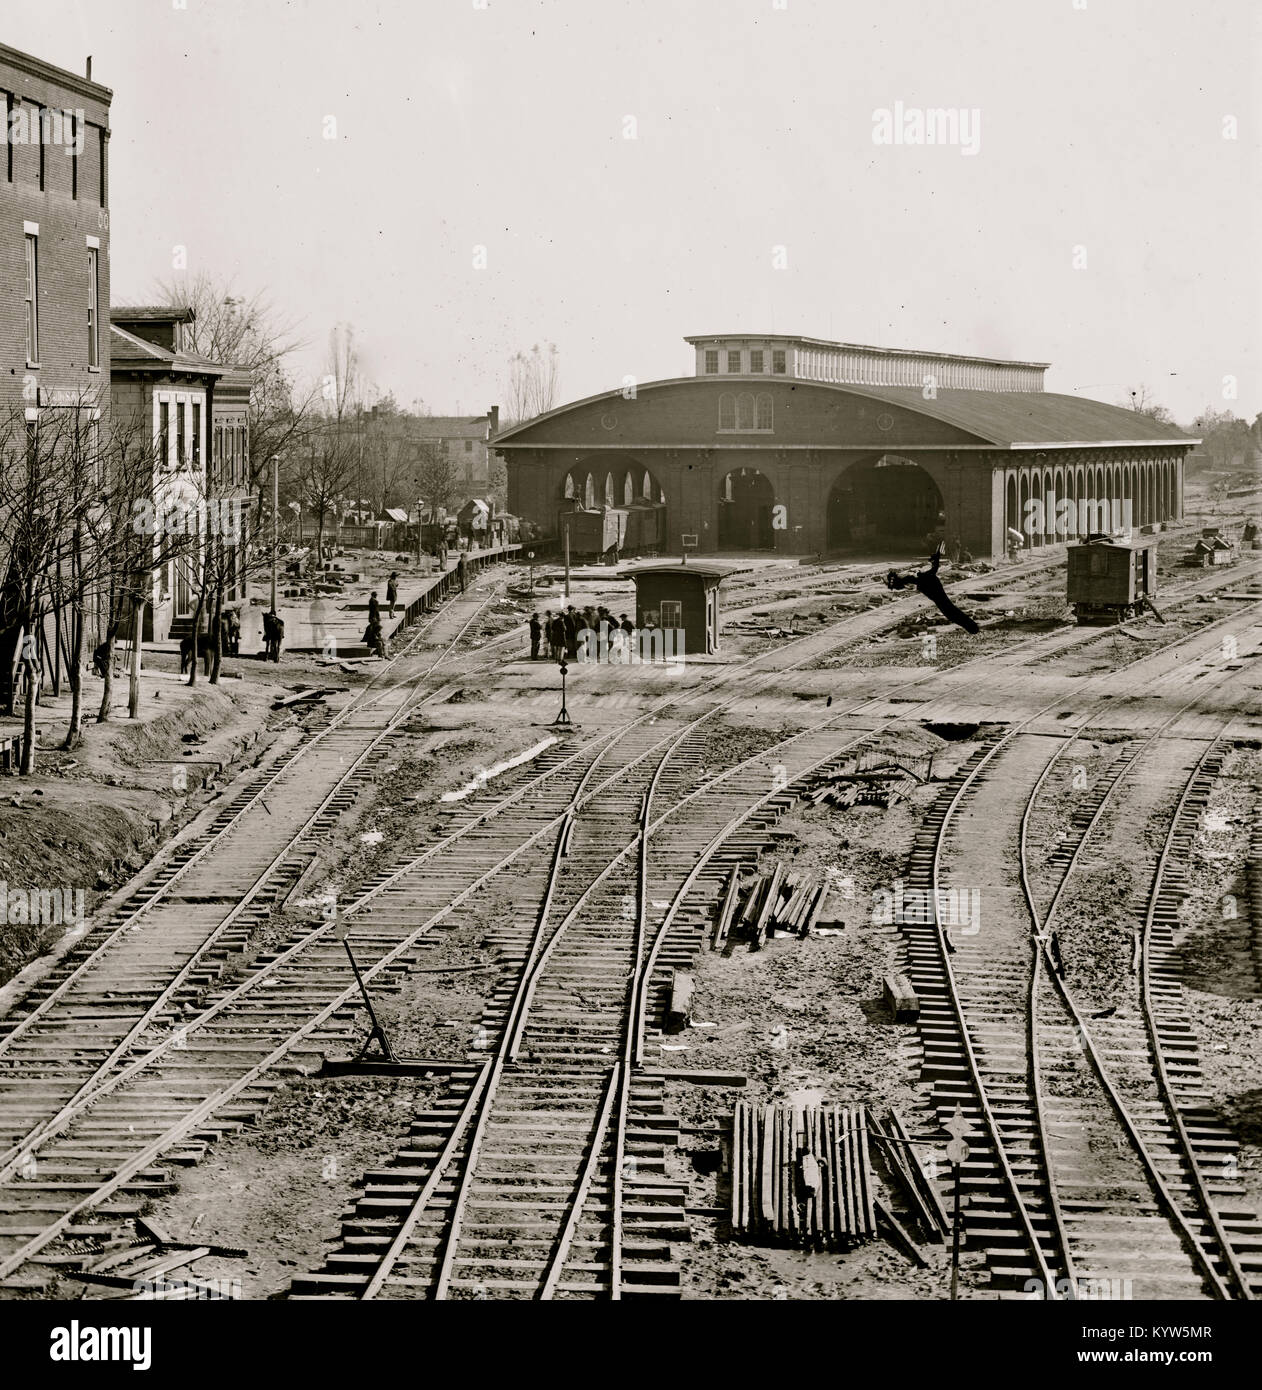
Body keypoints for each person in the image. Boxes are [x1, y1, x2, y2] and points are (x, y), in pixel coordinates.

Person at [885, 545, 979, 634]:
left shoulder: (920, 578)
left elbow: (931, 570)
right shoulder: (925, 575)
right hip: (937, 593)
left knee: (950, 613)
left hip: (937, 595)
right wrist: (937, 556)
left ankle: (972, 628)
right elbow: (935, 568)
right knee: (952, 612)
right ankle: (972, 627)